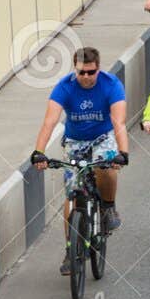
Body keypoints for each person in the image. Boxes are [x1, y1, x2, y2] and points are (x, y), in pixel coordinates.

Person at [31, 48, 130, 274]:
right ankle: (71, 249)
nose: (85, 77)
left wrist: (122, 153)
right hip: (75, 141)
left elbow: (119, 123)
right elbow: (49, 122)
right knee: (72, 193)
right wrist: (39, 152)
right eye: (81, 72)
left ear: (98, 68)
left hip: (103, 137)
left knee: (106, 167)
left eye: (90, 72)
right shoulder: (64, 87)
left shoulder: (111, 85)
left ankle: (108, 207)